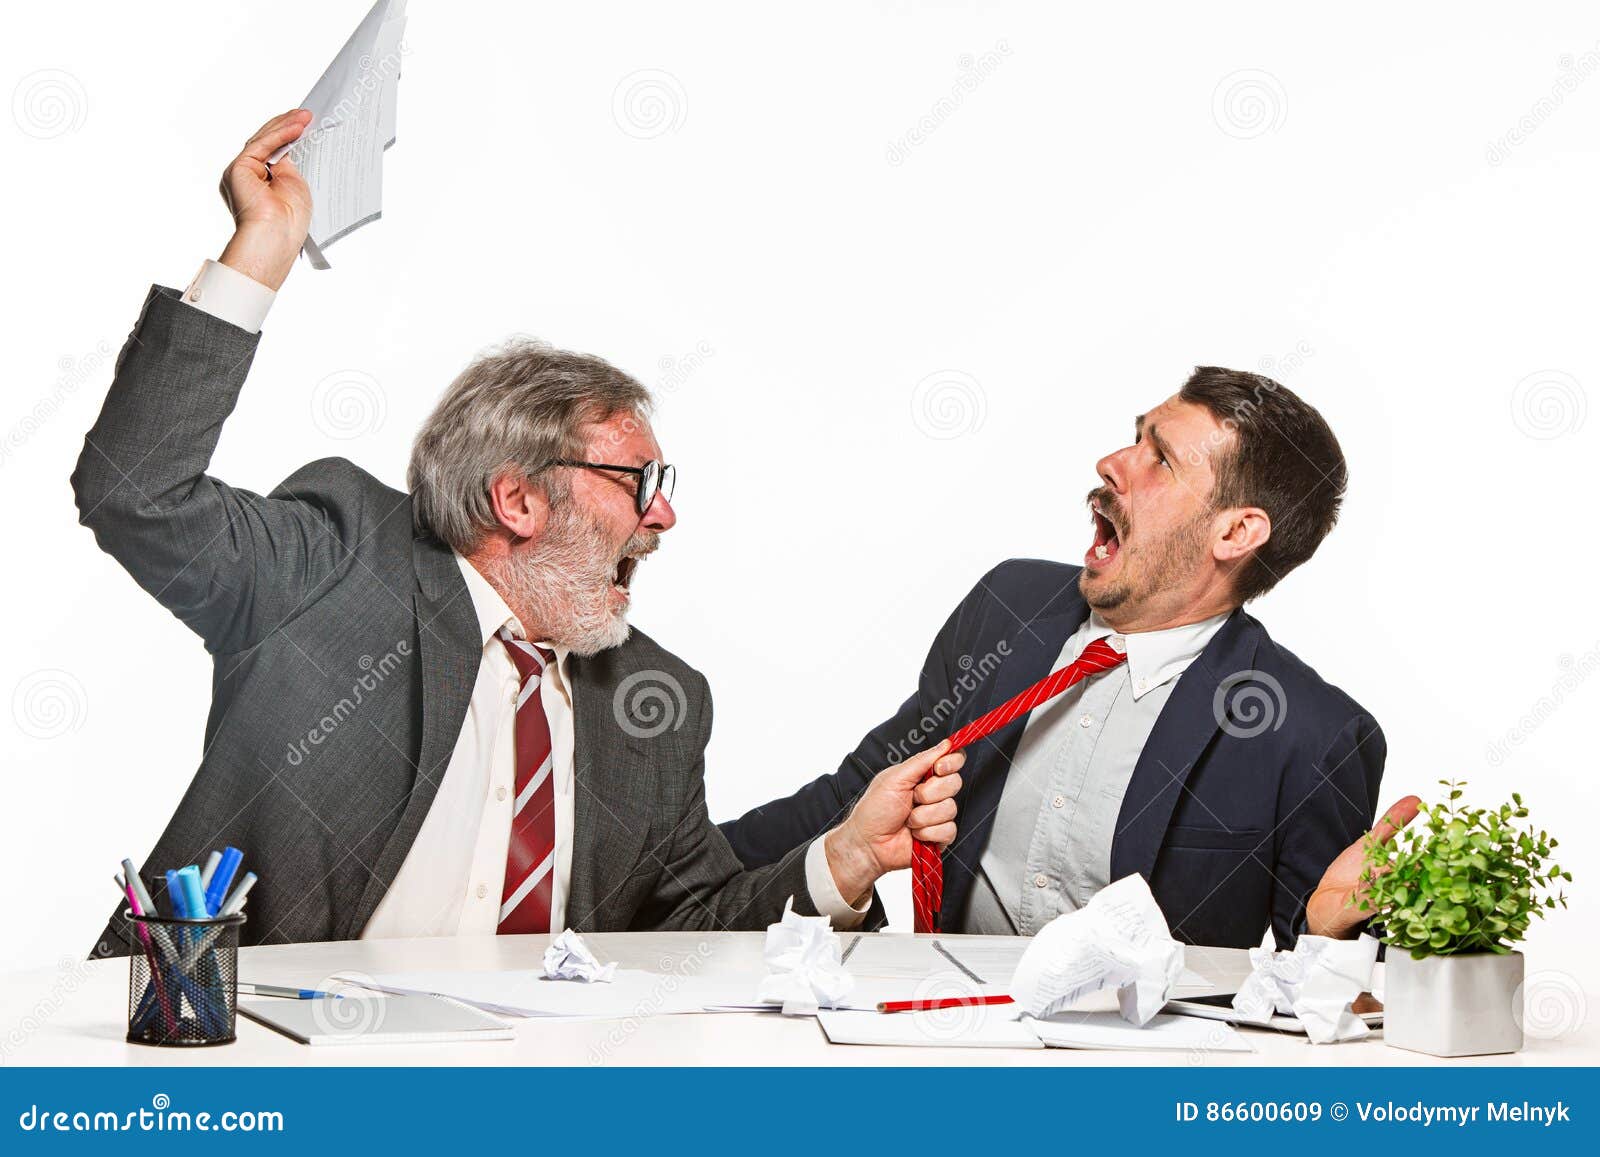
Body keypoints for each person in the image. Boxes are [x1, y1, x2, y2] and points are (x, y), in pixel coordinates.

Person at [78, 110, 964, 956]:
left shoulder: (657, 701)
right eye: (639, 482)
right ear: (518, 500)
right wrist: (259, 250)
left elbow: (689, 935)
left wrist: (844, 858)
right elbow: (136, 493)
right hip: (257, 1061)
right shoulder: (337, 559)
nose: (663, 515)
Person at [722, 367, 1419, 948]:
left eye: (1161, 459)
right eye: (1134, 438)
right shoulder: (1010, 605)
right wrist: (669, 865)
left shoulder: (1310, 734)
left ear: (1236, 531)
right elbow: (865, 789)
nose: (1112, 463)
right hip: (941, 1036)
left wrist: (1329, 939)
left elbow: (1329, 1013)